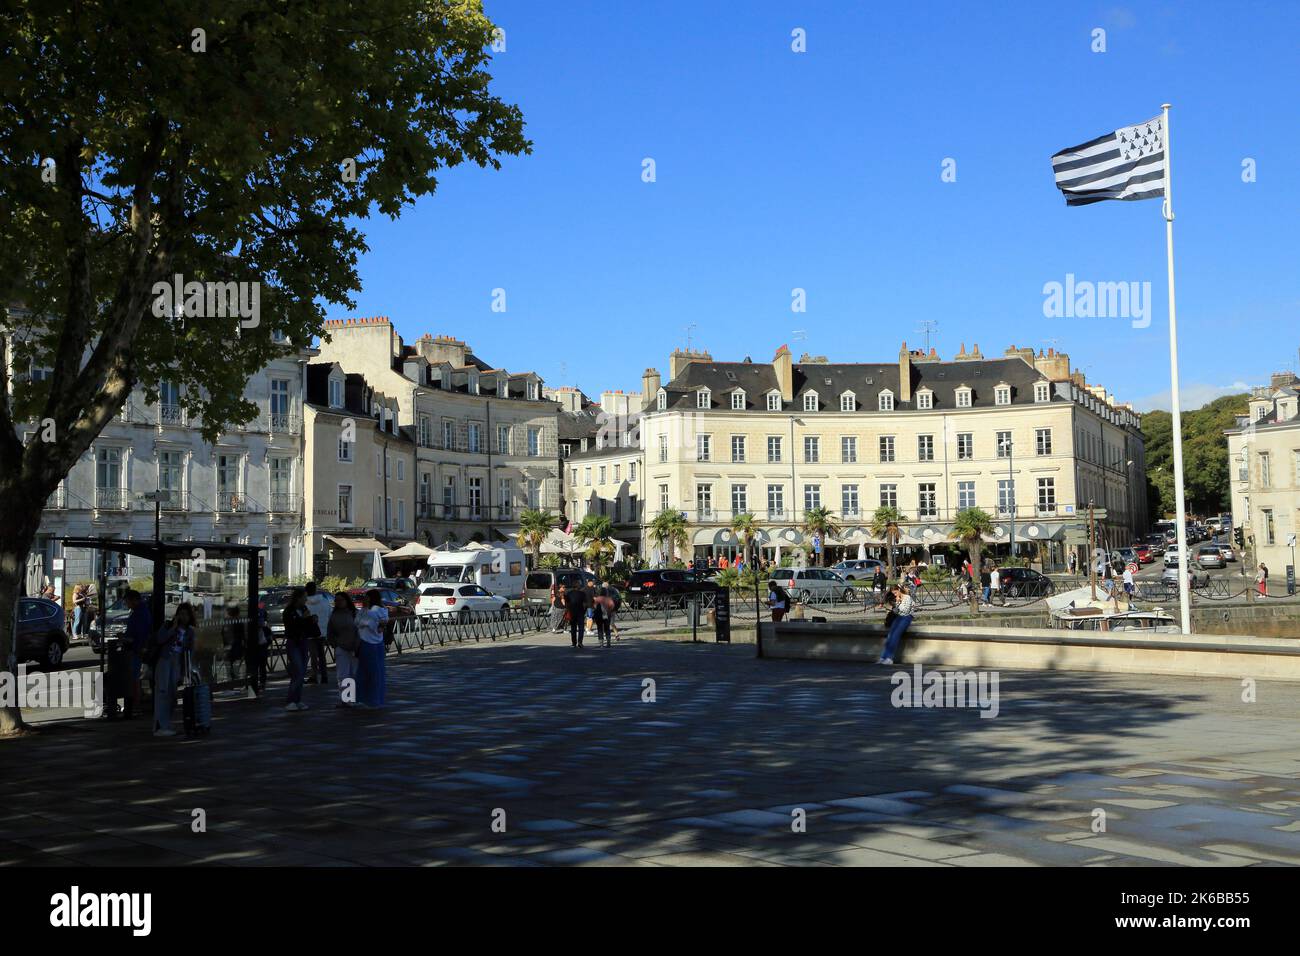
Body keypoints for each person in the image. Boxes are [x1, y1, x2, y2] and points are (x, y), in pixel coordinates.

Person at [150, 603, 196, 737]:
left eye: (186, 614)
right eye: (180, 614)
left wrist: (186, 670)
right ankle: (159, 726)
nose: (183, 617)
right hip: (165, 660)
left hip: (177, 663)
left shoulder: (190, 632)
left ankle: (166, 723)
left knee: (172, 694)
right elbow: (160, 639)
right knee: (162, 692)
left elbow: (190, 651)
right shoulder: (168, 625)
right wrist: (173, 628)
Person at [282, 588, 315, 712]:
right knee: (298, 671)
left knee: (301, 672)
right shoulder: (289, 611)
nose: (306, 600)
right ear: (298, 598)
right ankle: (291, 700)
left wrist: (311, 620)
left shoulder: (303, 609)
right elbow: (291, 627)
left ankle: (297, 700)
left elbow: (307, 626)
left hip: (303, 641)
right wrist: (304, 619)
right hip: (294, 642)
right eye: (304, 597)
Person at [355, 589, 389, 708]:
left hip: (368, 642)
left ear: (370, 598)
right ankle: (373, 699)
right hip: (376, 643)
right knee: (376, 672)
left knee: (366, 672)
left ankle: (367, 699)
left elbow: (360, 623)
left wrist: (364, 622)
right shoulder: (382, 610)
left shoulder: (371, 611)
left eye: (366, 596)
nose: (364, 598)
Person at [122, 590, 152, 720]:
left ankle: (135, 705)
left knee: (134, 680)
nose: (126, 604)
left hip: (137, 651)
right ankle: (135, 704)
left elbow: (139, 635)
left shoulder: (140, 614)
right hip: (138, 649)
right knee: (135, 679)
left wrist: (127, 639)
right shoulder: (141, 612)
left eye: (127, 601)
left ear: (134, 600)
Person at [327, 593, 361, 707]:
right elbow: (330, 631)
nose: (338, 602)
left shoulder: (355, 613)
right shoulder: (334, 615)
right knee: (343, 675)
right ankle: (345, 700)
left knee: (353, 674)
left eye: (341, 600)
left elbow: (359, 630)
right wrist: (334, 644)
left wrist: (357, 645)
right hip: (341, 648)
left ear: (347, 601)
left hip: (355, 648)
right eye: (336, 600)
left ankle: (352, 698)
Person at [877, 586, 915, 666]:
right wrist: (895, 607)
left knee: (895, 636)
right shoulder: (898, 598)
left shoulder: (907, 598)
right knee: (890, 635)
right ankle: (883, 657)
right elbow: (896, 611)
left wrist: (898, 603)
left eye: (895, 592)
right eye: (893, 593)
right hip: (899, 617)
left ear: (899, 590)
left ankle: (889, 658)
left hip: (906, 618)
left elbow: (905, 610)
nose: (895, 595)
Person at [304, 581, 332, 685]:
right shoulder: (324, 601)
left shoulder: (305, 603)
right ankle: (324, 676)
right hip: (322, 631)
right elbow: (329, 614)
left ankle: (314, 675)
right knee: (322, 655)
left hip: (310, 632)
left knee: (313, 655)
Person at [246, 604, 270, 698]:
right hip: (261, 643)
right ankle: (260, 683)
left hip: (258, 643)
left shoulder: (257, 613)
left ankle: (254, 684)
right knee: (261, 665)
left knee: (256, 665)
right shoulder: (261, 612)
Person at [563, 582, 590, 649]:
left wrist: (568, 609)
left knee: (573, 628)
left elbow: (566, 602)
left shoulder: (569, 593)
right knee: (581, 628)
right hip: (580, 612)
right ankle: (580, 643)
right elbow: (586, 603)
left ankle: (573, 643)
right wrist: (584, 611)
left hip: (572, 612)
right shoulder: (582, 594)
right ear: (579, 587)